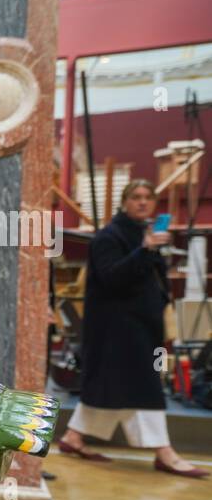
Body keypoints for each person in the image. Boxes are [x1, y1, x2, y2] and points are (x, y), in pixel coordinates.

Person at [58, 179, 208, 478]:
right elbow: (113, 277)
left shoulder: (145, 234)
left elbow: (152, 280)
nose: (143, 202)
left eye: (148, 197)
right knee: (146, 388)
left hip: (142, 326)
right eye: (136, 197)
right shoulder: (108, 237)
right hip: (118, 331)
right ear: (124, 202)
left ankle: (74, 436)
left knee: (112, 387)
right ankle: (163, 451)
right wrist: (144, 250)